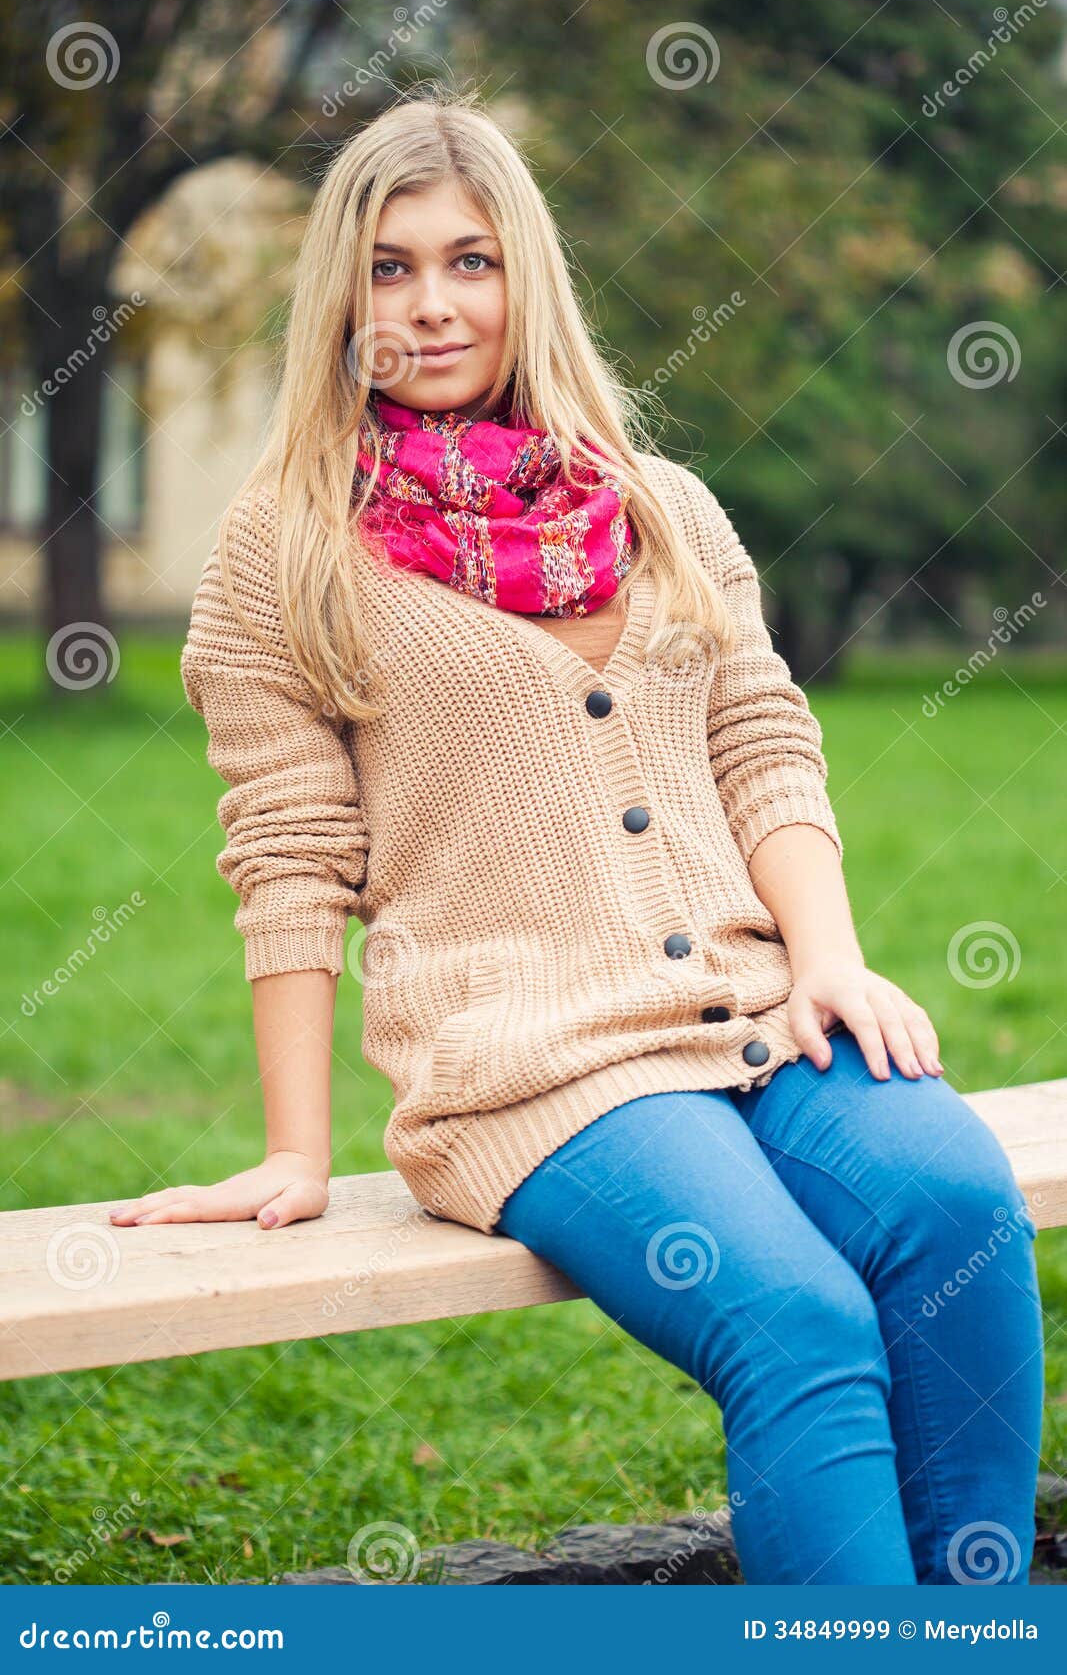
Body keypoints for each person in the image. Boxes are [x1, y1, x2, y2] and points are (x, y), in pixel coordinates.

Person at [108, 84, 1044, 1586]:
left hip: (753, 1004)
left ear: (524, 276)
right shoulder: (282, 546)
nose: (428, 305)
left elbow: (761, 738)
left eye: (469, 261)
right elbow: (286, 849)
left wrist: (832, 959)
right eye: (390, 265)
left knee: (955, 1206)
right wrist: (293, 1147)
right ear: (340, 293)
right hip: (532, 1061)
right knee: (798, 1317)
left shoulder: (657, 504)